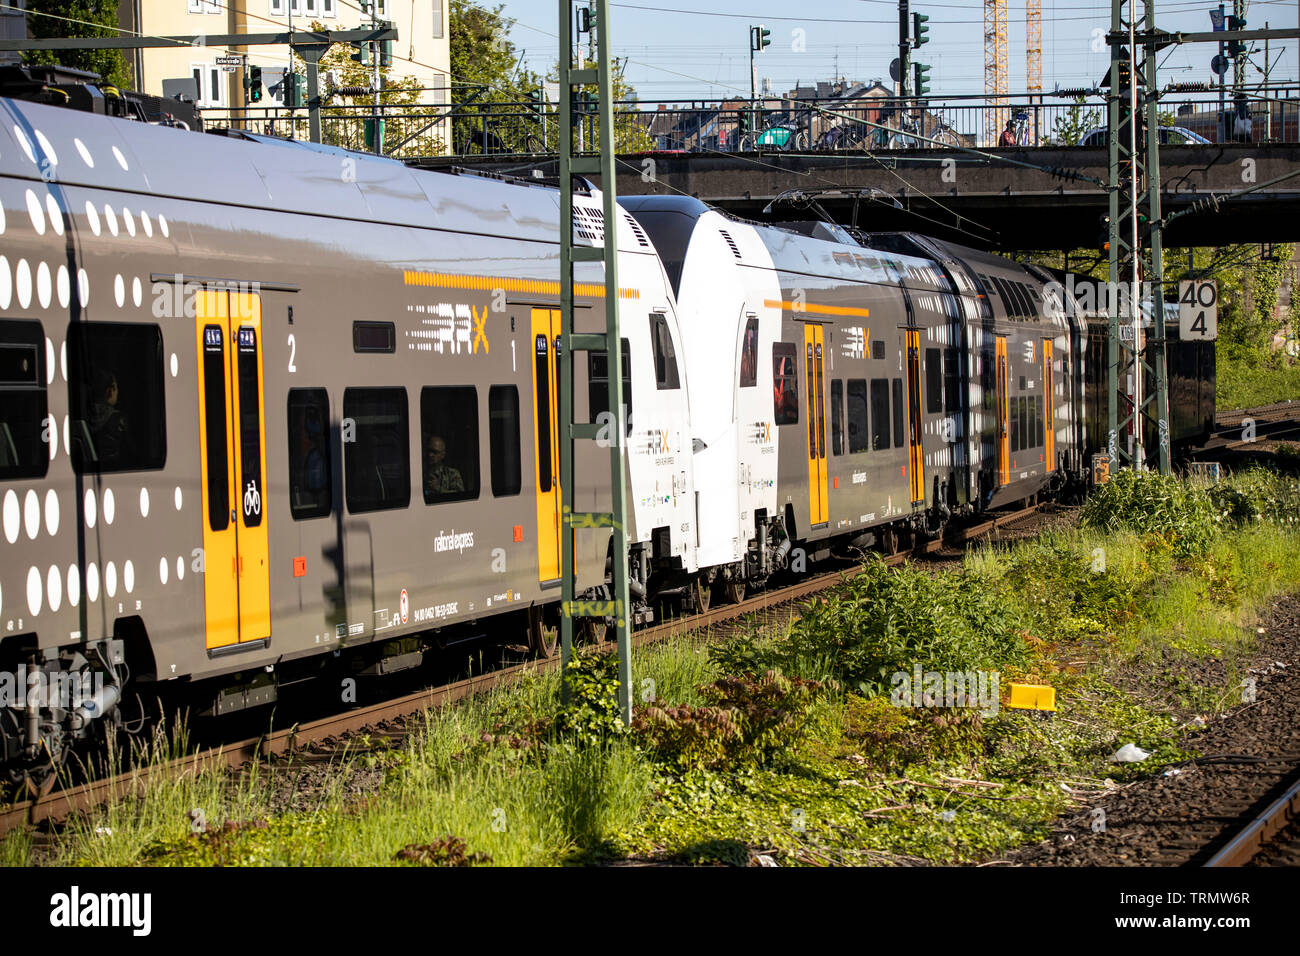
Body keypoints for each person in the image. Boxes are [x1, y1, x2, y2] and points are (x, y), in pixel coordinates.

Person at [87, 368, 132, 469]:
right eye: (116, 388)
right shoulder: (119, 419)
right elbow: (130, 451)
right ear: (110, 392)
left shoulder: (85, 416)